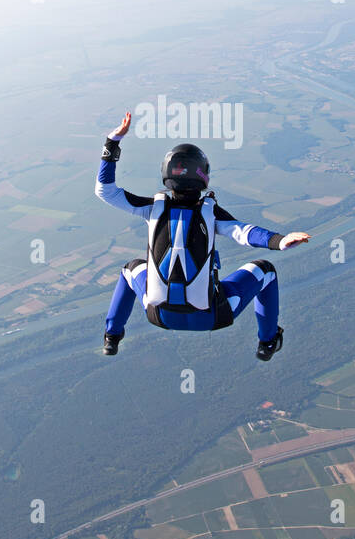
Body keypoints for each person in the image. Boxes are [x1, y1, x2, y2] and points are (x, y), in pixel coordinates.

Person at [95, 112, 309, 358]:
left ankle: (111, 337)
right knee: (266, 270)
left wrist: (112, 142)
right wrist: (279, 241)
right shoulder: (210, 213)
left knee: (130, 268)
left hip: (158, 314)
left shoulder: (153, 209)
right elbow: (245, 233)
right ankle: (268, 342)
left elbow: (105, 190)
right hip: (213, 316)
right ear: (203, 176)